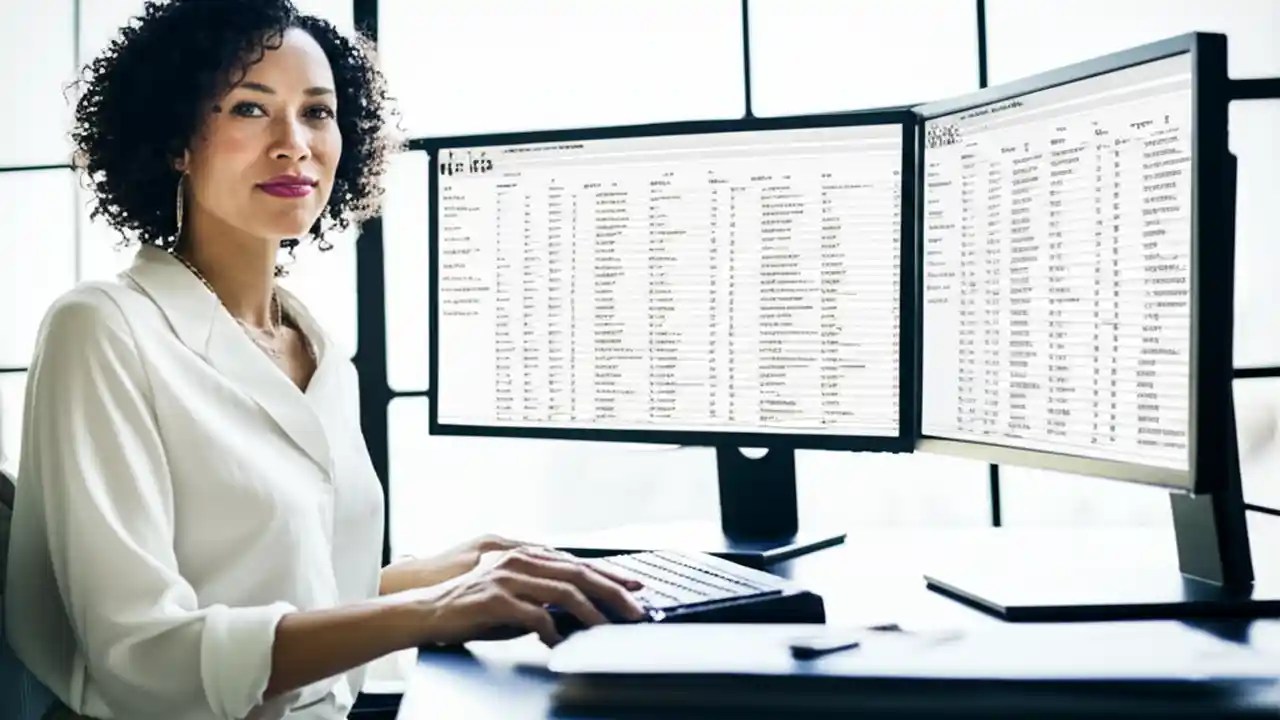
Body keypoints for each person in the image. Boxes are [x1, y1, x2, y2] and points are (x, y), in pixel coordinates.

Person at [3, 1, 644, 718]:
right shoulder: (101, 330)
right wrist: (432, 609)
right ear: (175, 140)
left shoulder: (315, 348)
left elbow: (288, 588)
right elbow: (141, 655)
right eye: (250, 109)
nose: (294, 143)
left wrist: (446, 575)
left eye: (317, 112)